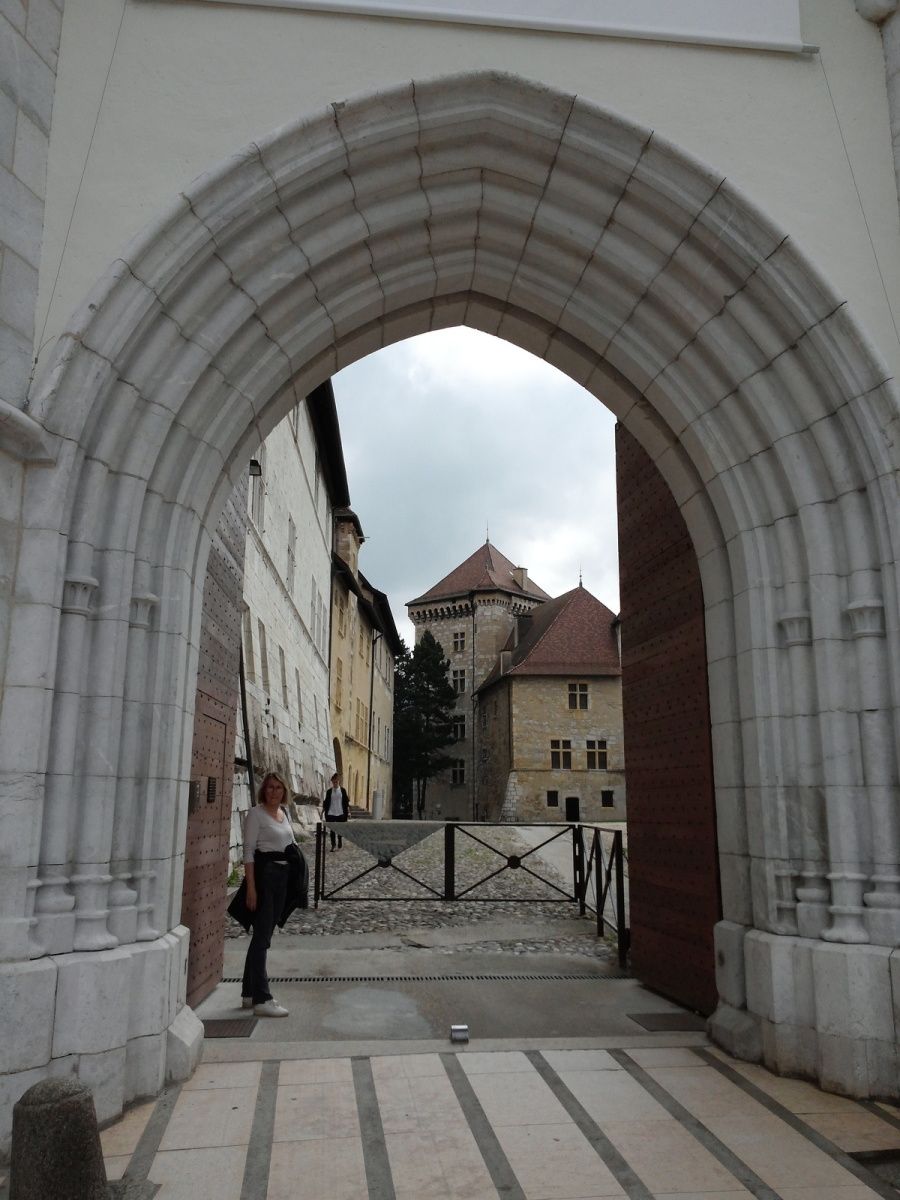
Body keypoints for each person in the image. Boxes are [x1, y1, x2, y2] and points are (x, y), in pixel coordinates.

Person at [229, 772, 308, 1017]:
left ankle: (249, 993)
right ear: (264, 790)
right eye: (270, 787)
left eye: (278, 787)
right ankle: (263, 998)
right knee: (262, 937)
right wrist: (251, 887)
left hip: (282, 880)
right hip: (265, 877)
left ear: (284, 791)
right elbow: (249, 852)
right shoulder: (256, 814)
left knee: (262, 936)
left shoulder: (284, 814)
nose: (274, 791)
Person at [322, 771, 350, 850]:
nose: (335, 783)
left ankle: (340, 840)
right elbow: (326, 802)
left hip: (340, 812)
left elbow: (346, 802)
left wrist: (348, 811)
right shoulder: (329, 792)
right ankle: (333, 844)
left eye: (336, 782)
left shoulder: (342, 791)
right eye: (333, 782)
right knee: (332, 830)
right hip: (331, 812)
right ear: (332, 782)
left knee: (340, 829)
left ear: (338, 781)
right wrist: (322, 812)